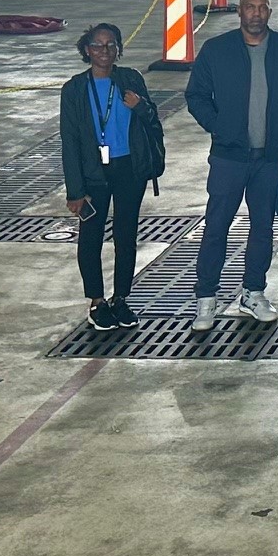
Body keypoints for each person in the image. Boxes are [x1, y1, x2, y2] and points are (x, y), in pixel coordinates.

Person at [185, 0, 278, 332]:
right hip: (229, 158)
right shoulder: (217, 50)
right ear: (240, 12)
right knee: (216, 227)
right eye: (250, 8)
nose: (256, 14)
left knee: (263, 229)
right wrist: (220, 127)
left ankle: (253, 292)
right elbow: (196, 96)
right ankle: (206, 298)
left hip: (271, 159)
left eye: (262, 8)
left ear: (269, 13)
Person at [60, 23, 164, 330]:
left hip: (129, 168)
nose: (104, 51)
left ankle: (121, 298)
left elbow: (153, 120)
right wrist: (75, 190)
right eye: (98, 45)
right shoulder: (75, 89)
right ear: (86, 50)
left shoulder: (130, 78)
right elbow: (70, 141)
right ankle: (97, 301)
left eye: (111, 45)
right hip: (93, 173)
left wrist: (140, 105)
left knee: (126, 235)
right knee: (91, 238)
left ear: (118, 49)